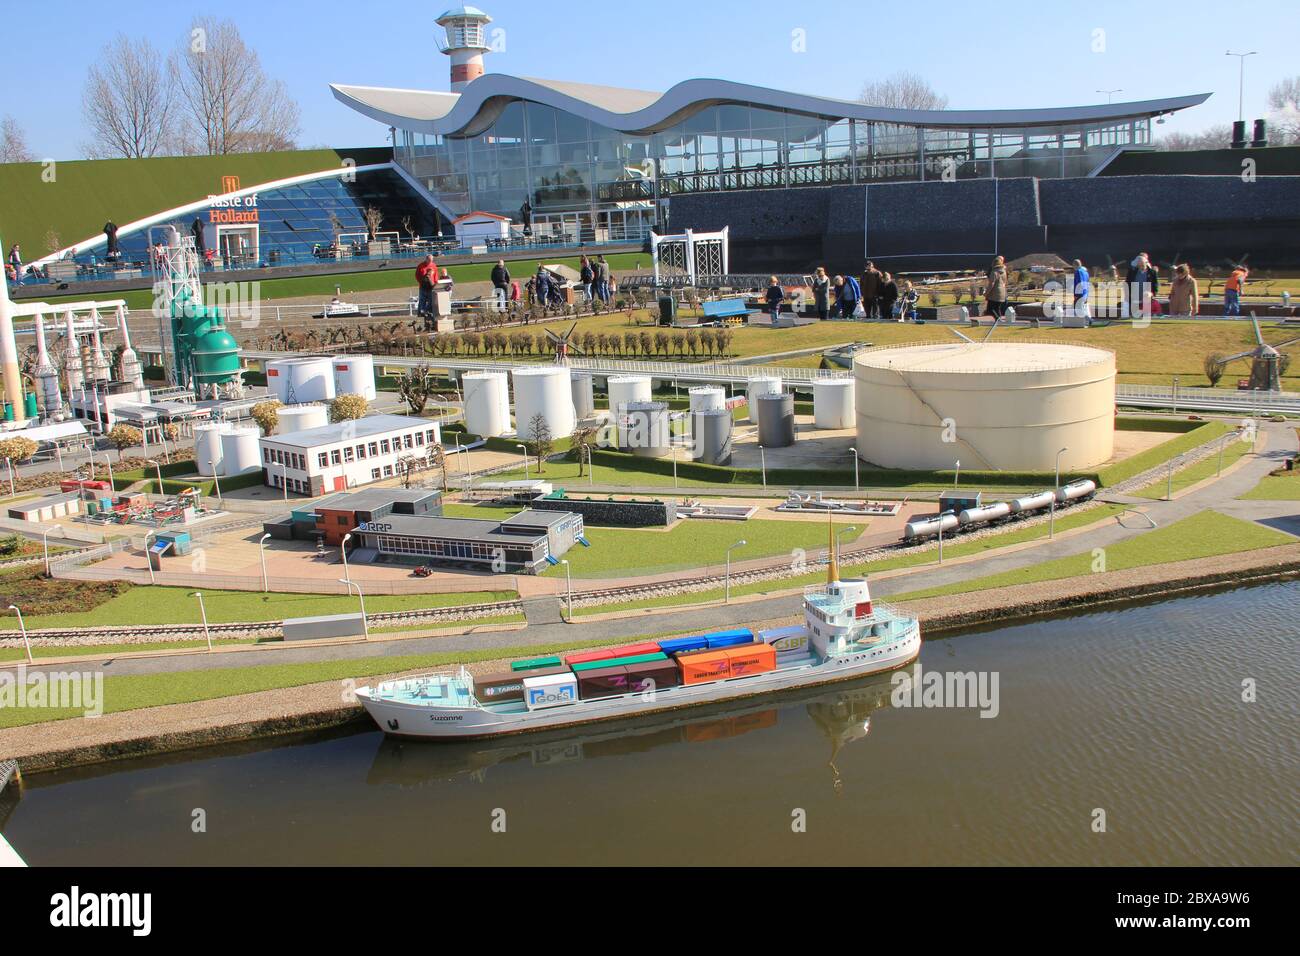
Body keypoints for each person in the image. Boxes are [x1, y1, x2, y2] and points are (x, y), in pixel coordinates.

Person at [1125, 253, 1158, 319]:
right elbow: (1127, 282)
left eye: (1142, 265)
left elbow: (1155, 284)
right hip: (1134, 296)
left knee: (1146, 315)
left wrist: (1153, 293)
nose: (1140, 266)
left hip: (1146, 296)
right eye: (1139, 265)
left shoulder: (1152, 272)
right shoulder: (1132, 271)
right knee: (1134, 314)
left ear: (1146, 263)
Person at [415, 254, 436, 319]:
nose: (430, 262)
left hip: (431, 287)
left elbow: (435, 275)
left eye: (431, 260)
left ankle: (428, 312)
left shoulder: (434, 265)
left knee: (431, 300)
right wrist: (421, 282)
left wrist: (435, 283)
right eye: (429, 260)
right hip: (423, 287)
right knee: (422, 300)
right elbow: (417, 275)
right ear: (426, 259)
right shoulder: (420, 266)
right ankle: (421, 313)